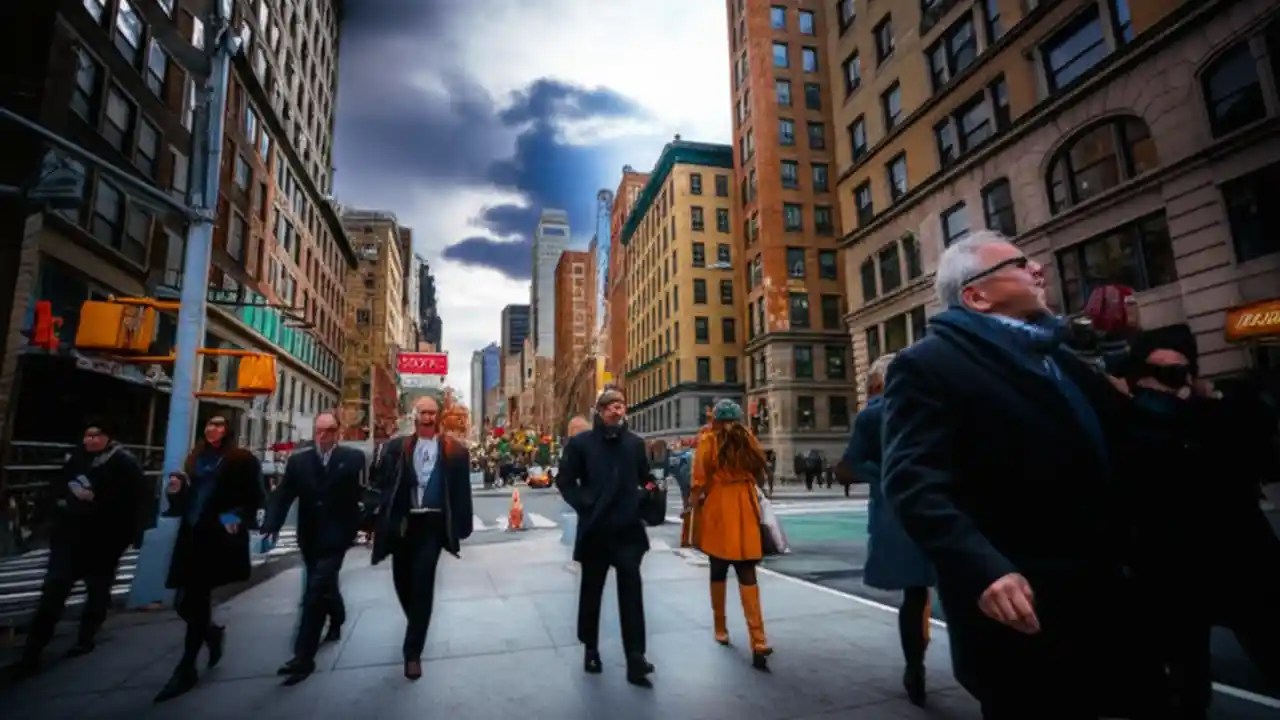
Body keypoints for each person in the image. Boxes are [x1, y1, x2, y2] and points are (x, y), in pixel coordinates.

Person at [879, 231, 1164, 719]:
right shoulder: (929, 365)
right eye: (1018, 263)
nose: (1038, 269)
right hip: (1022, 615)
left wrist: (1134, 354)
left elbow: (1133, 444)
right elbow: (913, 481)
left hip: (1106, 600)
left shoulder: (1060, 359)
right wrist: (984, 568)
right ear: (977, 296)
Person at [1122, 334, 1280, 717]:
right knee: (1185, 683)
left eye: (1179, 373)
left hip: (1240, 561)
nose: (1174, 382)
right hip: (1173, 573)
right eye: (1165, 373)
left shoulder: (1213, 419)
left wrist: (1219, 400)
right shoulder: (1135, 426)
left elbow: (1265, 456)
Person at [840, 354, 936, 706]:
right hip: (942, 504)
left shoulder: (871, 415)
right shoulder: (932, 403)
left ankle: (915, 667)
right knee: (952, 587)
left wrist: (884, 476)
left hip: (899, 512)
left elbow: (852, 464)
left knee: (914, 593)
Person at [16, 419, 149, 675]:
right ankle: (33, 650)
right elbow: (56, 489)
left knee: (97, 590)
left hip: (103, 540)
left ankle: (86, 637)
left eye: (96, 436)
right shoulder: (76, 460)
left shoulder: (123, 464)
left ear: (108, 437)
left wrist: (100, 504)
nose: (90, 441)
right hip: (69, 537)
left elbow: (135, 502)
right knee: (54, 590)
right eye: (87, 436)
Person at [155, 415, 264, 703]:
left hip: (217, 537)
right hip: (191, 535)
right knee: (183, 603)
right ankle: (212, 634)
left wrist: (233, 517)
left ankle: (186, 667)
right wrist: (176, 493)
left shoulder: (241, 459)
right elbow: (186, 502)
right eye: (209, 424)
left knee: (196, 598)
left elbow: (254, 497)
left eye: (219, 425)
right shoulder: (195, 458)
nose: (213, 429)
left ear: (228, 430)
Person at [555, 389, 655, 687]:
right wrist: (585, 504)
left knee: (632, 595)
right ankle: (591, 648)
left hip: (627, 532)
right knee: (591, 592)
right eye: (610, 406)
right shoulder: (581, 444)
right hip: (596, 531)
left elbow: (646, 477)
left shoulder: (635, 444)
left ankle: (635, 658)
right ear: (599, 411)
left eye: (620, 405)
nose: (616, 410)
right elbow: (564, 480)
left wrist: (646, 494)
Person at [370, 394, 474, 681]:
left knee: (423, 582)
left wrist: (462, 528)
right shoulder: (395, 448)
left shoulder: (455, 451)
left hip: (433, 524)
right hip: (404, 524)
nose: (428, 417)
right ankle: (417, 620)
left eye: (432, 413)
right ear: (414, 416)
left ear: (438, 417)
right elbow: (380, 486)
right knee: (402, 582)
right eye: (423, 412)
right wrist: (373, 521)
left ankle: (412, 653)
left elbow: (461, 492)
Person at [262, 411, 366, 685]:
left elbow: (362, 493)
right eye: (319, 431)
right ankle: (338, 616)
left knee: (313, 592)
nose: (323, 436)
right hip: (310, 536)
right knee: (324, 586)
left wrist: (368, 524)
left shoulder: (352, 459)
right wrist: (272, 524)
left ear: (338, 432)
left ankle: (303, 657)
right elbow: (284, 495)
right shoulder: (299, 462)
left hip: (338, 536)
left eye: (329, 430)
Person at [690, 399, 774, 670]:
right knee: (747, 570)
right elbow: (761, 472)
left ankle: (721, 628)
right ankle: (759, 640)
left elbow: (699, 479)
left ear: (715, 418)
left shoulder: (709, 440)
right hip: (746, 505)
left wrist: (693, 504)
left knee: (718, 567)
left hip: (719, 506)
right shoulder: (748, 439)